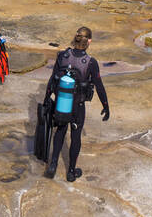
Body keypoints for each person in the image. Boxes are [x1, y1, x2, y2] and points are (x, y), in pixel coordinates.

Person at [42, 27, 109, 182]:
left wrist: (47, 97)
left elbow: (52, 79)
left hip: (61, 103)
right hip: (77, 106)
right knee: (75, 136)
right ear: (89, 41)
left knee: (60, 131)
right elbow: (99, 85)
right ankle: (71, 172)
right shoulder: (91, 62)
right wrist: (105, 105)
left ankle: (52, 165)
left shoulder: (62, 55)